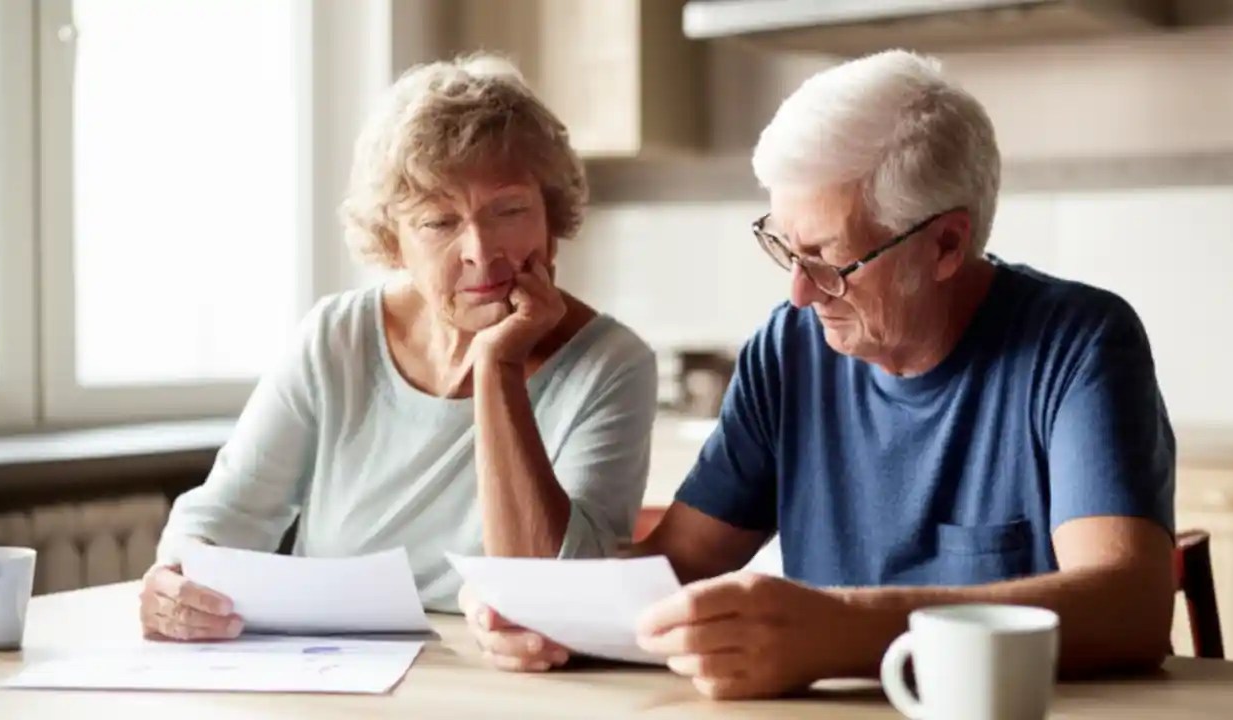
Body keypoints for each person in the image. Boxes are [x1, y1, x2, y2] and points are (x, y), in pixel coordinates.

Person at [462, 49, 1176, 699]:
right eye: (783, 247)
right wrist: (544, 614)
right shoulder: (790, 347)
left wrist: (839, 628)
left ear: (947, 244)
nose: (799, 293)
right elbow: (675, 565)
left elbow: (1128, 605)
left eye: (828, 261)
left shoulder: (1078, 342)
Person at [138, 54, 657, 641]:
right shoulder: (336, 338)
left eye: (508, 210)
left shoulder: (612, 364)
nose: (480, 252)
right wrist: (178, 577)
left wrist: (498, 364)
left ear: (550, 219)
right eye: (439, 223)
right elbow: (223, 520)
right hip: (332, 674)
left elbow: (563, 592)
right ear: (393, 242)